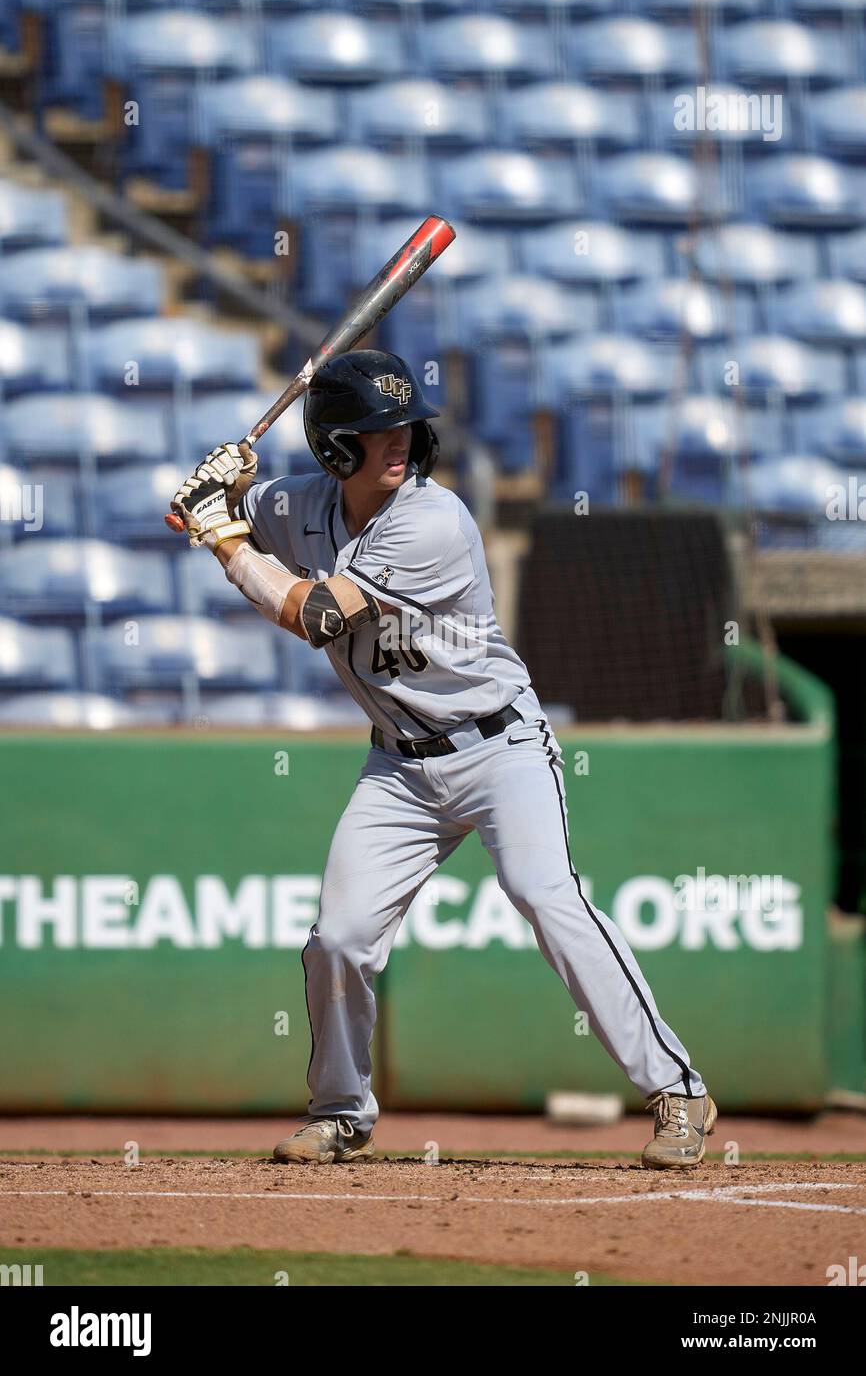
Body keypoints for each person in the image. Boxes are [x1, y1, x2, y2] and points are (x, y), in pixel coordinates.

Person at [172, 348, 717, 1170]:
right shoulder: (303, 503)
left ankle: (679, 1090)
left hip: (499, 746)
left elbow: (316, 615)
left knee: (546, 894)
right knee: (340, 939)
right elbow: (204, 511)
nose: (400, 440)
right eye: (377, 429)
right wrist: (219, 484)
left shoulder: (433, 521)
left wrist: (224, 538)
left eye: (407, 425)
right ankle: (341, 1111)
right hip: (399, 766)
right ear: (334, 445)